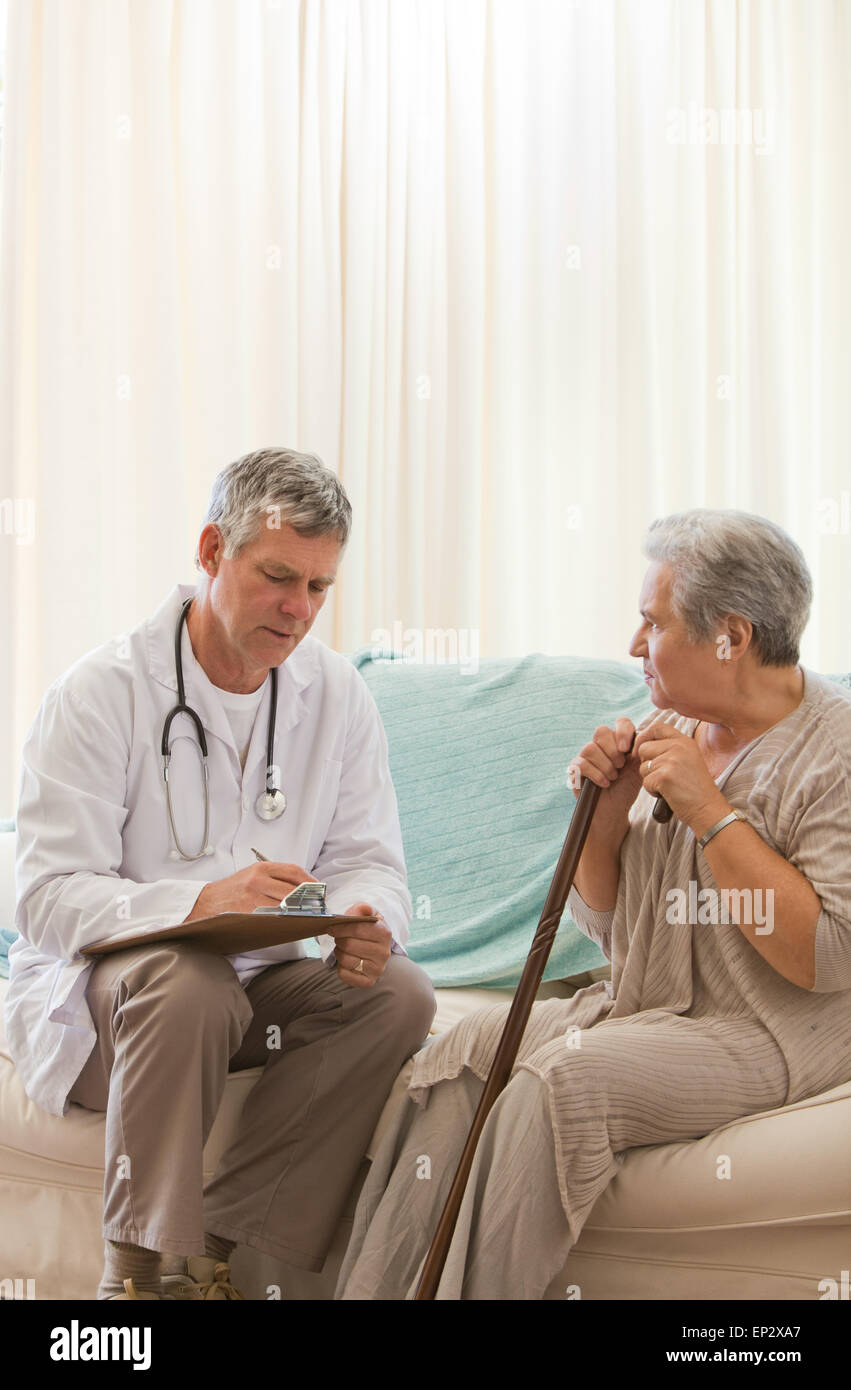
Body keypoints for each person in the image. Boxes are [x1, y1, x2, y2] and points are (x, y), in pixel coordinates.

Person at [334, 508, 851, 1300]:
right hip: (643, 1006)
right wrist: (602, 825)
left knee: (560, 1084)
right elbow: (616, 936)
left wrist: (712, 813)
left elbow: (822, 959)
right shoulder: (671, 728)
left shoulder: (835, 753)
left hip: (764, 1032)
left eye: (653, 623)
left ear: (731, 636)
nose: (634, 646)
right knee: (455, 1062)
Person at [3, 447, 436, 1300]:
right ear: (210, 552)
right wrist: (198, 904)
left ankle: (215, 1262)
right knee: (186, 979)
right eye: (278, 576)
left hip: (255, 998)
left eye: (318, 587)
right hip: (112, 1009)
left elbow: (370, 859)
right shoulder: (101, 694)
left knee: (400, 995)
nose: (298, 608)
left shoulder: (336, 694)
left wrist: (364, 915)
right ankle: (132, 1278)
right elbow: (42, 897)